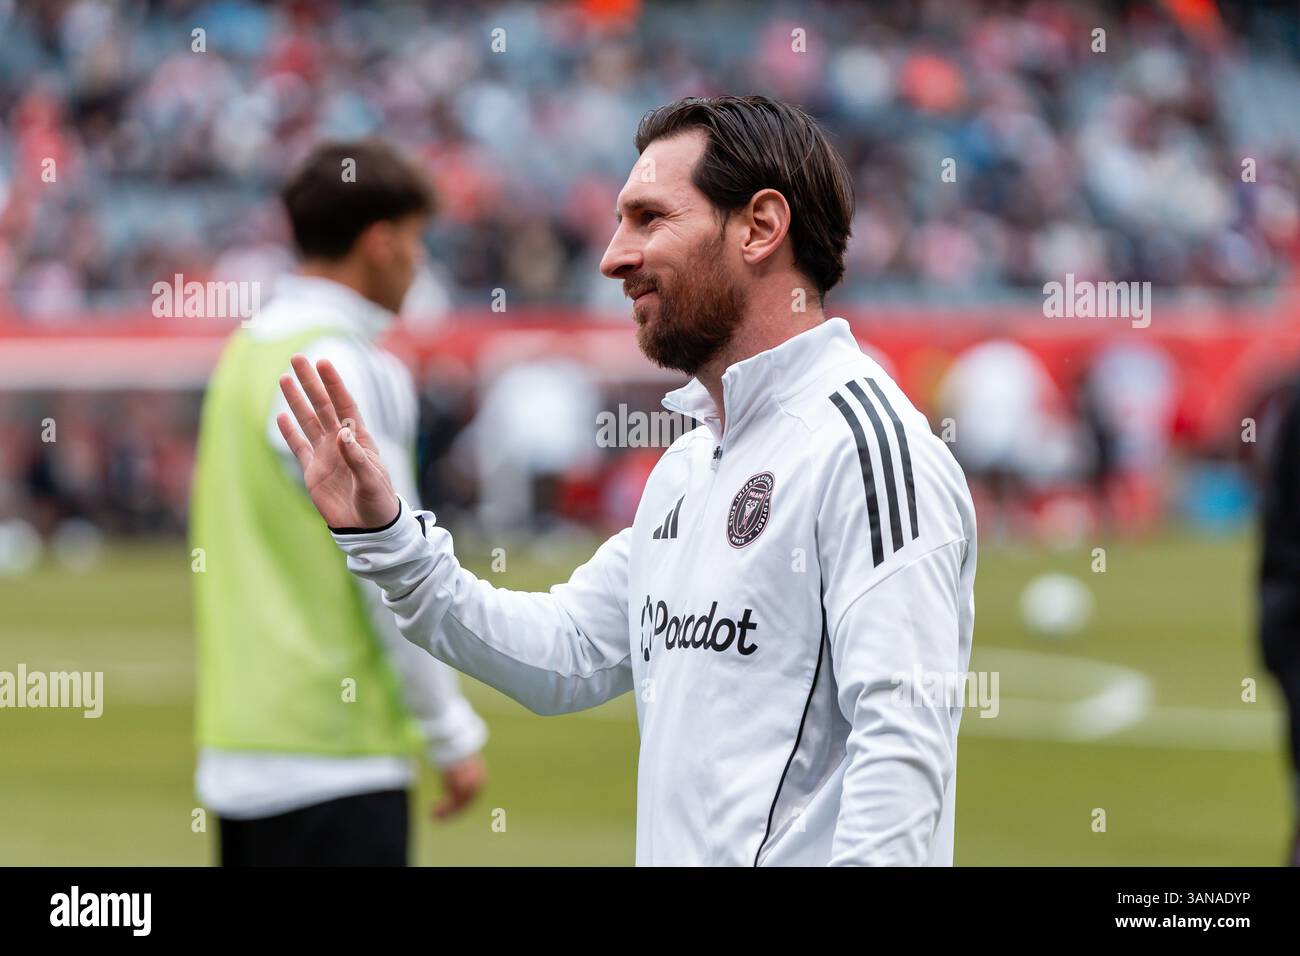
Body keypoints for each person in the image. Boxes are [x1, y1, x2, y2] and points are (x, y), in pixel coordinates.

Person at [275, 96, 976, 865]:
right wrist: (389, 543)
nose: (613, 256)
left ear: (761, 226)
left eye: (648, 218)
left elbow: (903, 752)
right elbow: (567, 653)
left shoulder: (867, 449)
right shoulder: (691, 463)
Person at [191, 139, 488, 867]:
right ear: (380, 242)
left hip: (239, 749)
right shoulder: (347, 363)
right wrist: (449, 730)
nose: (420, 262)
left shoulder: (244, 352)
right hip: (338, 755)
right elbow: (393, 564)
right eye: (416, 239)